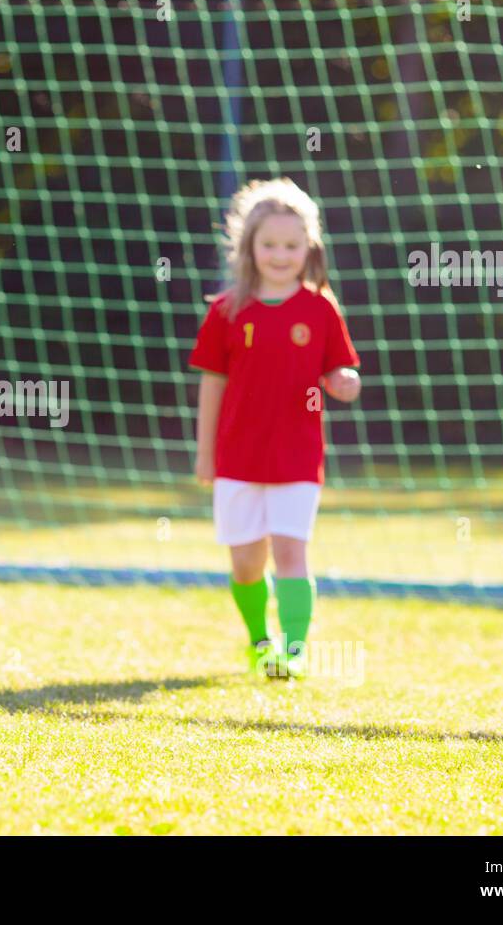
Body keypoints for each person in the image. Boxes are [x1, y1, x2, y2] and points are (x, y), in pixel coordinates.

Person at [190, 178, 361, 679]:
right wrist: (205, 454)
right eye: (269, 244)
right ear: (250, 246)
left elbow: (337, 371)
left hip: (297, 457)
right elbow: (211, 387)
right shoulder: (226, 310)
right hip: (238, 458)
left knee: (291, 550)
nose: (280, 254)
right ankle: (259, 641)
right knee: (246, 563)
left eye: (291, 245)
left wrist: (344, 382)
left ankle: (294, 650)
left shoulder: (320, 308)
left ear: (308, 246)